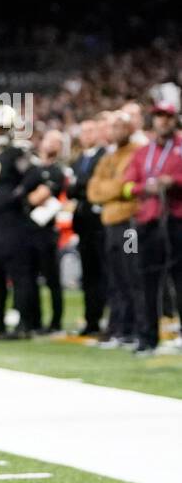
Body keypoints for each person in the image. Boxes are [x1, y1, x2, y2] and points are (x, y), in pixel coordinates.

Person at [124, 93, 182, 355]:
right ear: (154, 120)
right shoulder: (142, 153)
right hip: (145, 223)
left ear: (175, 120)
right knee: (146, 281)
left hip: (177, 220)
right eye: (159, 116)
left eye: (167, 117)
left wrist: (173, 182)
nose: (163, 121)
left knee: (179, 281)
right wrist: (142, 188)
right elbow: (126, 186)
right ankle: (147, 338)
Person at [0, 105, 39, 338]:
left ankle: (24, 323)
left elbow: (33, 174)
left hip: (12, 222)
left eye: (3, 127)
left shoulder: (17, 151)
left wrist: (17, 194)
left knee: (19, 273)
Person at [88, 111, 142, 349]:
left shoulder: (136, 152)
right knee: (116, 278)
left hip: (130, 224)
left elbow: (123, 184)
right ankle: (119, 327)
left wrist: (109, 191)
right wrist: (111, 190)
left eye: (121, 126)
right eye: (113, 127)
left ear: (130, 129)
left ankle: (134, 328)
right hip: (110, 224)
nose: (116, 131)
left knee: (132, 275)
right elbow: (93, 190)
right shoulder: (109, 156)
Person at [22, 128, 69, 334]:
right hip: (28, 230)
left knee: (52, 279)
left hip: (46, 231)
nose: (51, 144)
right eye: (49, 139)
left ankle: (56, 322)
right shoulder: (30, 166)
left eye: (56, 141)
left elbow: (34, 197)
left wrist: (26, 197)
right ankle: (34, 321)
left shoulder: (58, 171)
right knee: (29, 278)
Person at [68, 115, 108, 337]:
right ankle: (91, 319)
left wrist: (80, 185)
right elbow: (72, 189)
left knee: (104, 272)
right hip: (83, 223)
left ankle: (106, 318)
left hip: (100, 223)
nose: (87, 136)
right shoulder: (78, 159)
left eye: (91, 131)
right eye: (83, 132)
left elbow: (90, 185)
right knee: (89, 274)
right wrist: (81, 185)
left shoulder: (103, 156)